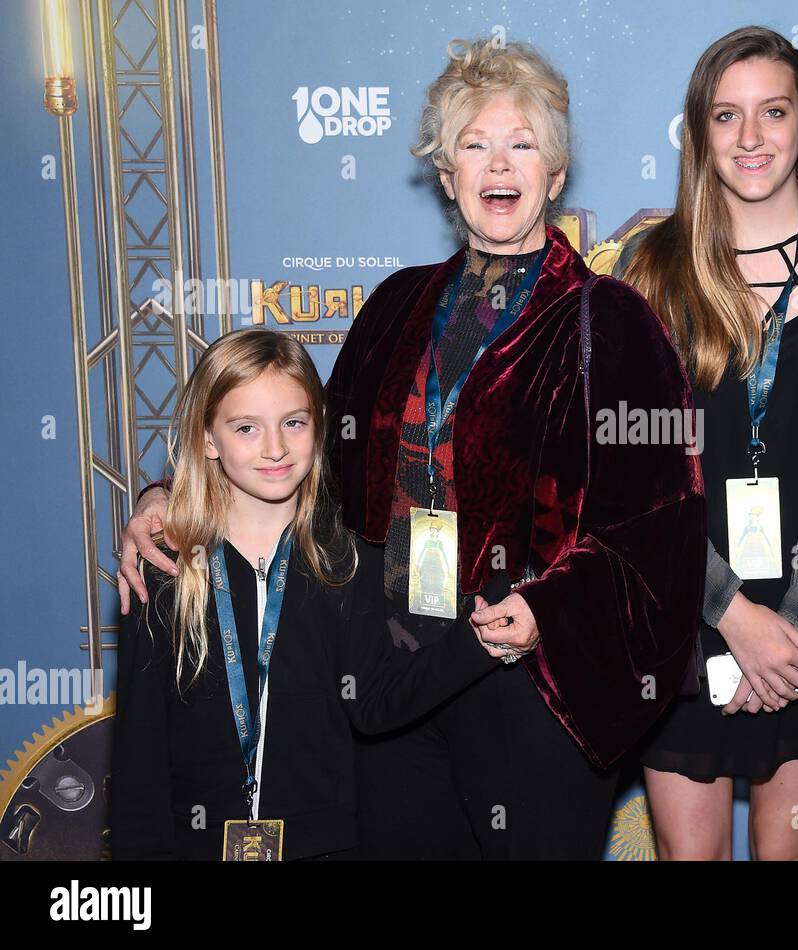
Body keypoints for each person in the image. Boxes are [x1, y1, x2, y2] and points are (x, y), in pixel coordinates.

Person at [116, 38, 706, 860]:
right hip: (389, 688)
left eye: (522, 143)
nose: (498, 164)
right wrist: (161, 500)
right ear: (446, 172)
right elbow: (298, 459)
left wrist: (547, 610)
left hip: (531, 688)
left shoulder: (609, 323)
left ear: (557, 174)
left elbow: (658, 525)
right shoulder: (395, 307)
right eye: (475, 144)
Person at [616, 26, 798, 860]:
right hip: (684, 615)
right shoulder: (652, 266)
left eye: (773, 112)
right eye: (726, 117)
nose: (750, 139)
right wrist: (732, 615)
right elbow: (634, 473)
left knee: (790, 851)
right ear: (698, 135)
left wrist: (789, 632)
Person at [111, 329, 512, 860]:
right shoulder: (164, 570)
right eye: (246, 427)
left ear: (318, 430)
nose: (275, 448)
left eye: (293, 423)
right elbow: (140, 754)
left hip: (328, 847)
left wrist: (479, 643)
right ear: (209, 437)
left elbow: (376, 702)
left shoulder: (346, 559)